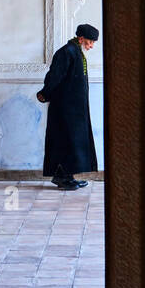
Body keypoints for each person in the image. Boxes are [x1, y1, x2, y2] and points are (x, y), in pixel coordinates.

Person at [35, 24, 99, 190]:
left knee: (72, 143)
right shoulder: (66, 52)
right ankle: (61, 178)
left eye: (93, 42)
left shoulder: (76, 52)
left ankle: (68, 177)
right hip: (64, 108)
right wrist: (45, 93)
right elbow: (54, 77)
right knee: (64, 141)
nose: (91, 46)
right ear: (80, 38)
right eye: (90, 41)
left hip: (74, 109)